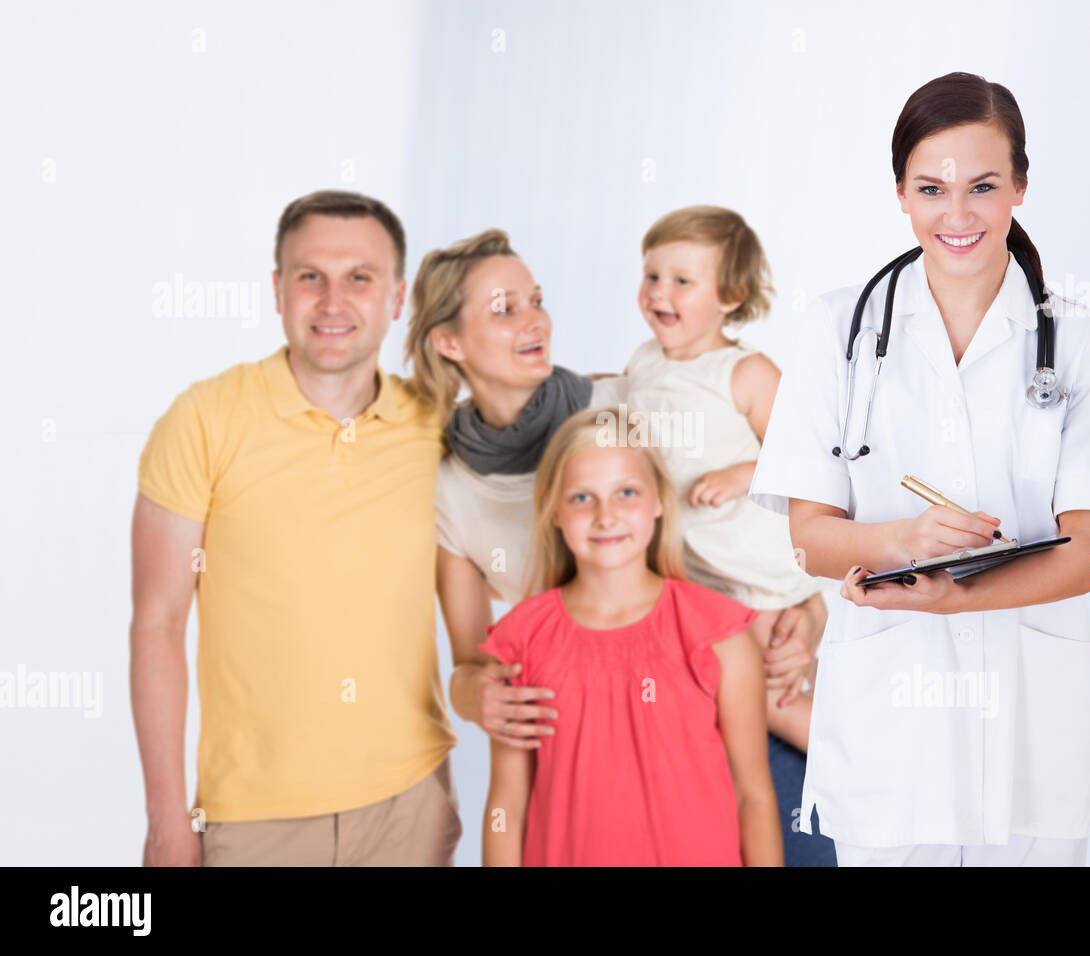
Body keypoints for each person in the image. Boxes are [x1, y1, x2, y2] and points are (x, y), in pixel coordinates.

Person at [750, 72, 1090, 866]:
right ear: (900, 192)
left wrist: (957, 598)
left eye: (984, 186)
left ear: (1021, 188)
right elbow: (808, 542)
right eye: (931, 188)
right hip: (888, 729)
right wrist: (904, 540)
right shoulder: (838, 331)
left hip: (1034, 725)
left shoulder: (1079, 342)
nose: (957, 214)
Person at [130, 190, 461, 866]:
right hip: (255, 817)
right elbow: (157, 622)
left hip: (408, 804)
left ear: (397, 297)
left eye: (359, 278)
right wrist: (167, 822)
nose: (332, 301)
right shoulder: (203, 420)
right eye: (311, 276)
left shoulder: (439, 426)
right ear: (278, 290)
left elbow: (568, 413)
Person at [405, 230, 826, 759]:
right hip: (604, 741)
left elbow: (765, 510)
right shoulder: (451, 488)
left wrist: (810, 614)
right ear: (449, 342)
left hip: (740, 714)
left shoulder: (635, 404)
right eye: (505, 309)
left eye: (536, 301)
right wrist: (477, 698)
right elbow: (468, 665)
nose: (535, 320)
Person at [623, 205, 836, 865]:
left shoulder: (744, 373)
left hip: (758, 574)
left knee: (767, 697)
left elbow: (813, 460)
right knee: (741, 691)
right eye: (652, 274)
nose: (661, 291)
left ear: (731, 298)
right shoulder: (642, 364)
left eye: (682, 280)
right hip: (701, 579)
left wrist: (747, 471)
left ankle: (853, 754)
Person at [480, 408, 783, 865]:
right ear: (553, 510)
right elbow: (507, 805)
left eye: (626, 492)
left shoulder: (717, 634)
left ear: (659, 500)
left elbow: (753, 796)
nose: (606, 516)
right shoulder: (521, 639)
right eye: (582, 497)